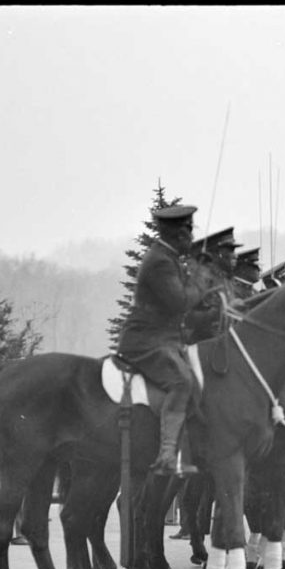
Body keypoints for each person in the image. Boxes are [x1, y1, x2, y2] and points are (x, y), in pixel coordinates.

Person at [116, 204, 206, 476]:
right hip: (146, 341)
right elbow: (179, 302)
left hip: (163, 339)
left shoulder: (168, 259)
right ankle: (167, 454)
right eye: (189, 231)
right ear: (179, 234)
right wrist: (200, 284)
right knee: (181, 382)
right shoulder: (160, 262)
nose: (191, 238)